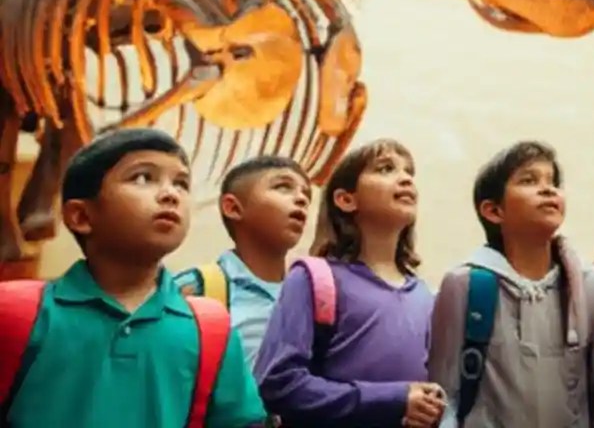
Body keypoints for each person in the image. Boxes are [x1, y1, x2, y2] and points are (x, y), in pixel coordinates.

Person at [0, 128, 266, 427]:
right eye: (142, 178)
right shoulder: (14, 312)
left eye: (181, 183)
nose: (170, 194)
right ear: (81, 217)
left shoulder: (211, 328)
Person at [254, 139, 443, 428]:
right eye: (386, 169)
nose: (405, 178)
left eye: (409, 173)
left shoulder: (424, 296)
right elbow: (279, 383)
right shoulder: (313, 278)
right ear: (346, 199)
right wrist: (392, 399)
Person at [428, 140, 594, 428]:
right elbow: (446, 395)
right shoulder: (464, 285)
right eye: (528, 180)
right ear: (493, 211)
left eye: (552, 181)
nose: (547, 188)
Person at [175, 155, 312, 368]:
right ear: (233, 208)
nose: (301, 199)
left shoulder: (309, 294)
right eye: (283, 187)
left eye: (306, 194)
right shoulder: (196, 288)